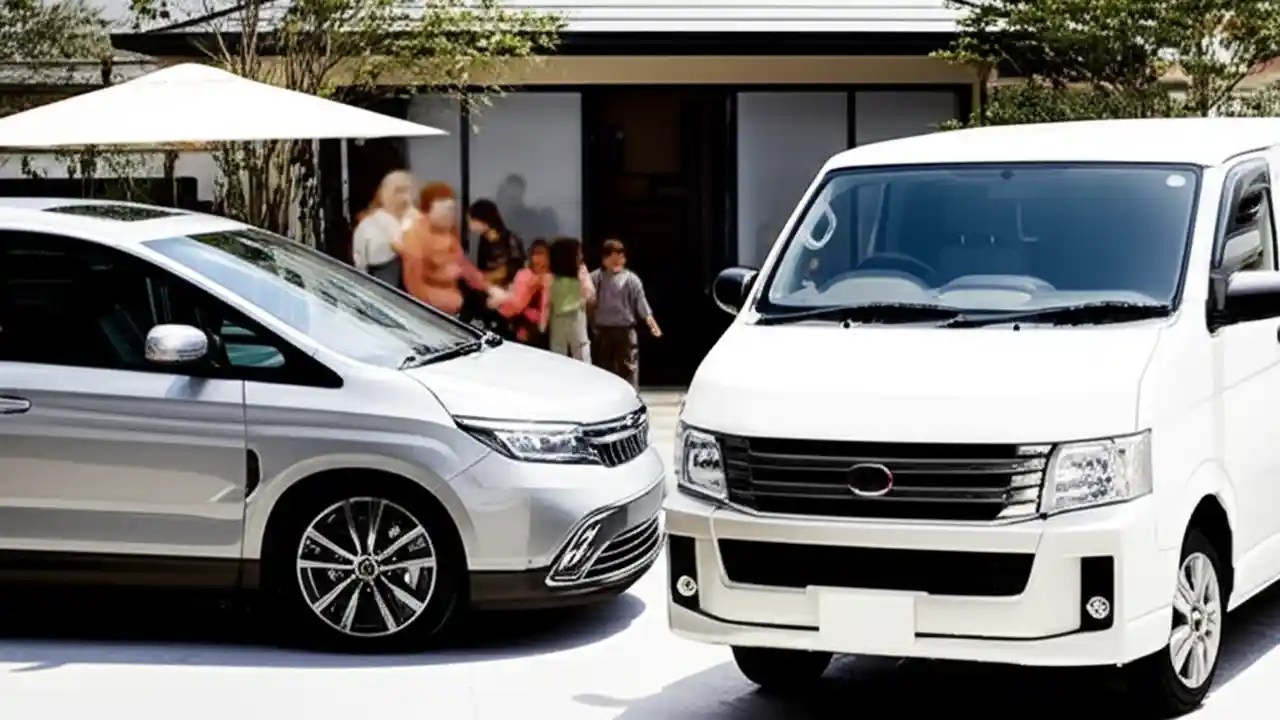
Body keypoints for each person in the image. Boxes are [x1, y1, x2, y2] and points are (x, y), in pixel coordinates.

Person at [399, 182, 500, 316]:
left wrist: (489, 287)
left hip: (456, 295)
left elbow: (462, 264)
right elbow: (415, 288)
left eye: (452, 210)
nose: (450, 215)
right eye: (445, 210)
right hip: (432, 308)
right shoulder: (415, 237)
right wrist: (451, 300)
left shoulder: (450, 230)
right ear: (428, 210)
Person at [589, 238, 661, 388]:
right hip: (603, 329)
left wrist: (652, 323)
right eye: (611, 258)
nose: (616, 262)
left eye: (619, 258)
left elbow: (642, 304)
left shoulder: (631, 280)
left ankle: (631, 395)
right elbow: (589, 302)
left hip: (624, 329)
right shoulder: (595, 278)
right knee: (603, 367)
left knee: (628, 367)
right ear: (604, 259)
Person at [464, 199, 524, 336]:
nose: (470, 226)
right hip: (491, 289)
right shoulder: (484, 241)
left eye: (472, 221)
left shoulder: (510, 239)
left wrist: (487, 278)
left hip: (511, 290)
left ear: (483, 219)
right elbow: (482, 268)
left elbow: (515, 269)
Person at [352, 170, 417, 289]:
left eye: (407, 191)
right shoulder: (371, 222)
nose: (404, 197)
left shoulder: (414, 217)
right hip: (382, 272)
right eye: (399, 191)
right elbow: (360, 258)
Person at [490, 238, 551, 347]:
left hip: (547, 332)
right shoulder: (523, 275)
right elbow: (516, 304)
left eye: (541, 254)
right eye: (535, 254)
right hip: (521, 326)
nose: (538, 259)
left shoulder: (552, 279)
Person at [543, 237, 595, 362]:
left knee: (558, 354)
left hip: (557, 318)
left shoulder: (550, 278)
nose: (581, 256)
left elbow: (546, 302)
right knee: (582, 351)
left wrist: (543, 323)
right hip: (576, 316)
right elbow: (590, 294)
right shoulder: (581, 273)